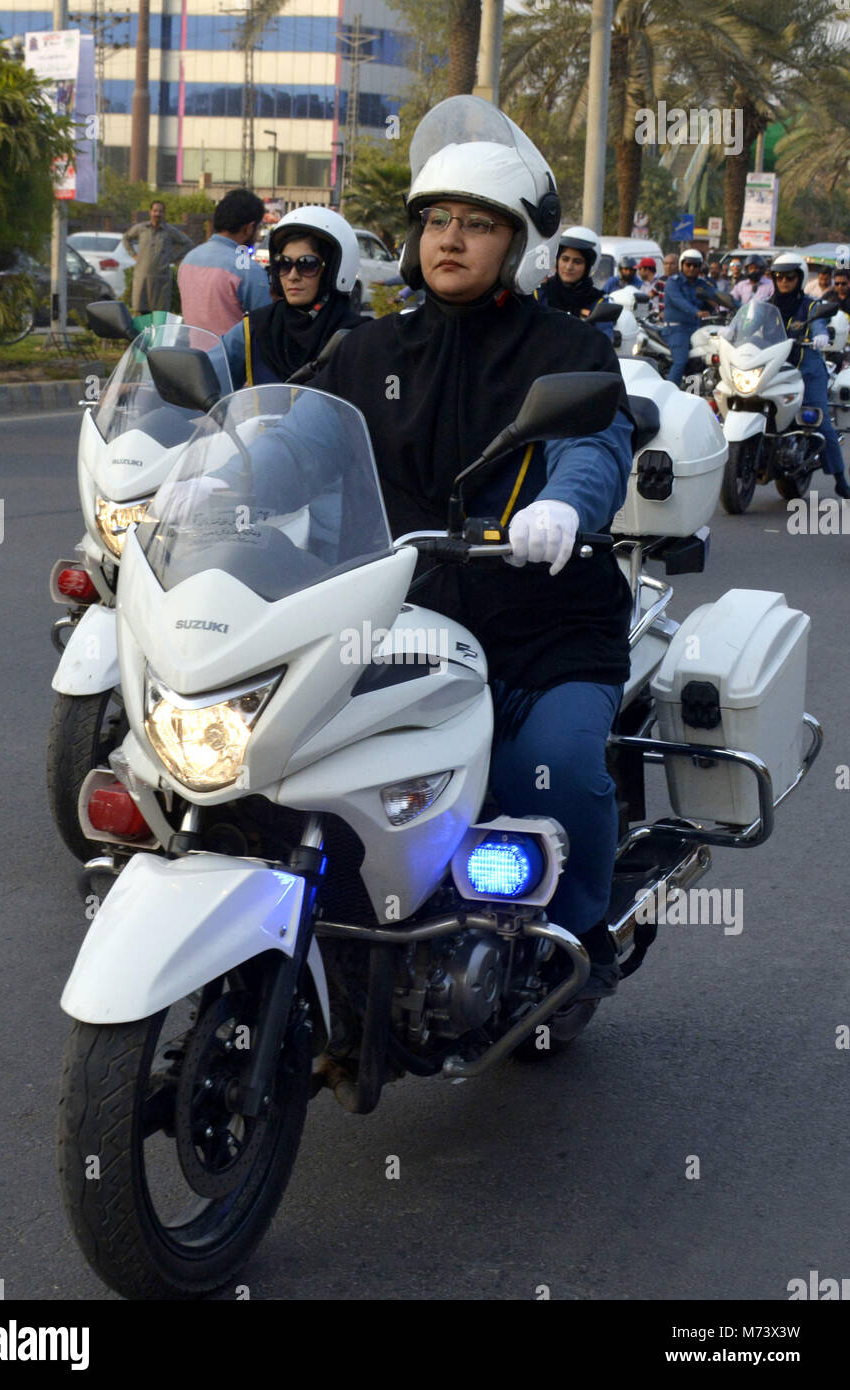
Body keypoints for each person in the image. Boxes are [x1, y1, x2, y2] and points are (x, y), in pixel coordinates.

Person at [310, 96, 636, 999]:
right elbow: (297, 437)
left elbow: (593, 443)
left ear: (521, 244)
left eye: (479, 223)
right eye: (438, 220)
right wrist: (211, 482)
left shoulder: (566, 346)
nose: (451, 238)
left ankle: (580, 936)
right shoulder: (366, 347)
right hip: (400, 626)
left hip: (545, 625)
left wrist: (565, 510)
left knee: (560, 768)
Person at [221, 205, 363, 389]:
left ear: (332, 271)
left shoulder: (357, 336)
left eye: (307, 264)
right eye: (284, 264)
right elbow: (208, 370)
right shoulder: (257, 327)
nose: (292, 276)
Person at [767, 252, 850, 498]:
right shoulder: (768, 304)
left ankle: (839, 478)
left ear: (800, 278)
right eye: (779, 277)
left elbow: (818, 323)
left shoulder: (810, 305)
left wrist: (820, 335)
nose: (784, 281)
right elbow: (751, 323)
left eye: (790, 277)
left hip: (807, 371)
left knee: (819, 420)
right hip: (774, 368)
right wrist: (733, 329)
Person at [177, 188, 271, 333]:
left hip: (192, 354)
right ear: (249, 228)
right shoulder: (248, 270)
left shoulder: (189, 260)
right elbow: (265, 328)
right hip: (231, 356)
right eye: (257, 228)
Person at [663, 247, 731, 385]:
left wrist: (743, 307)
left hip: (696, 328)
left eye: (696, 265)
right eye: (688, 264)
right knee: (681, 361)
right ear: (682, 264)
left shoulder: (701, 285)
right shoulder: (673, 283)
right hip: (676, 330)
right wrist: (696, 312)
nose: (692, 268)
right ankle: (669, 392)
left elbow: (718, 296)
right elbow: (679, 301)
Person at [534, 225, 613, 338]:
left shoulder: (598, 303)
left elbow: (604, 340)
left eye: (577, 262)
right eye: (565, 259)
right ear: (557, 260)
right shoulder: (539, 296)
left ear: (588, 266)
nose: (569, 267)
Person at [121, 201, 194, 314]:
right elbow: (126, 238)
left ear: (164, 213)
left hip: (162, 279)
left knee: (160, 316)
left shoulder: (169, 231)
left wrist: (173, 257)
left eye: (160, 211)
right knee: (140, 314)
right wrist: (133, 254)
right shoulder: (141, 228)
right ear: (150, 212)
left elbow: (188, 243)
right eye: (155, 211)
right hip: (142, 278)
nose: (157, 214)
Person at [652, 251, 680, 318]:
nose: (668, 266)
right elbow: (650, 295)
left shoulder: (682, 281)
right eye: (666, 264)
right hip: (661, 319)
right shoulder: (661, 280)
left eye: (672, 264)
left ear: (678, 265)